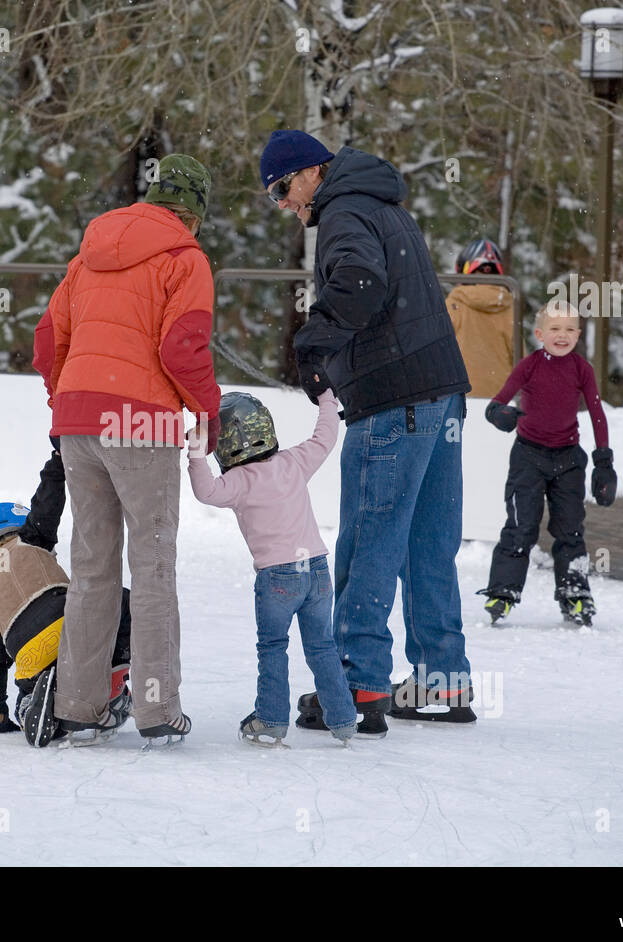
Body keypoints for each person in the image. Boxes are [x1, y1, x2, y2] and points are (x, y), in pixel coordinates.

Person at [259, 128, 474, 728]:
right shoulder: (381, 204)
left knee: (370, 539)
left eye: (282, 188)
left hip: (394, 400)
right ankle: (443, 679)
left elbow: (359, 282)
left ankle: (358, 683)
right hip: (441, 396)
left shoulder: (344, 211)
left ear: (311, 172)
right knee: (429, 542)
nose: (284, 205)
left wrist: (313, 343)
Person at [32, 153, 221, 747]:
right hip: (141, 423)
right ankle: (157, 709)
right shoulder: (184, 259)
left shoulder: (87, 255)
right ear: (193, 213)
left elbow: (46, 341)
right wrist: (208, 408)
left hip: (79, 422)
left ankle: (79, 708)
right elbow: (180, 348)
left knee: (92, 569)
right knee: (154, 565)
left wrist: (66, 400)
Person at [186, 389, 357, 746]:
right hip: (317, 571)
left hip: (277, 579)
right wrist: (327, 399)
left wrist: (197, 454)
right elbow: (324, 437)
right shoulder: (293, 462)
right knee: (322, 647)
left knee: (273, 647)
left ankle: (272, 719)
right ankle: (342, 719)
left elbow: (205, 492)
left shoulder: (237, 482)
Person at [0, 444, 132, 747]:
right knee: (119, 601)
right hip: (67, 622)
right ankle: (112, 678)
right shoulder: (33, 540)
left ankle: (31, 702)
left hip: (27, 651)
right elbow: (48, 499)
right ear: (21, 526)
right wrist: (57, 461)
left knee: (29, 681)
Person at [478, 299, 617, 626]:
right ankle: (503, 592)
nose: (562, 335)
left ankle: (575, 595)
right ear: (540, 333)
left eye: (570, 329)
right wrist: (500, 414)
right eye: (555, 329)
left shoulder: (582, 369)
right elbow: (498, 402)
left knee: (570, 531)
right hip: (528, 456)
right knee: (521, 526)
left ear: (579, 334)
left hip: (568, 460)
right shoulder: (529, 365)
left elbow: (597, 413)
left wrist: (603, 460)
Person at [446, 238, 516, 399]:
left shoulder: (453, 306)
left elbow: (434, 355)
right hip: (501, 401)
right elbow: (521, 361)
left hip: (459, 398)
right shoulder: (510, 309)